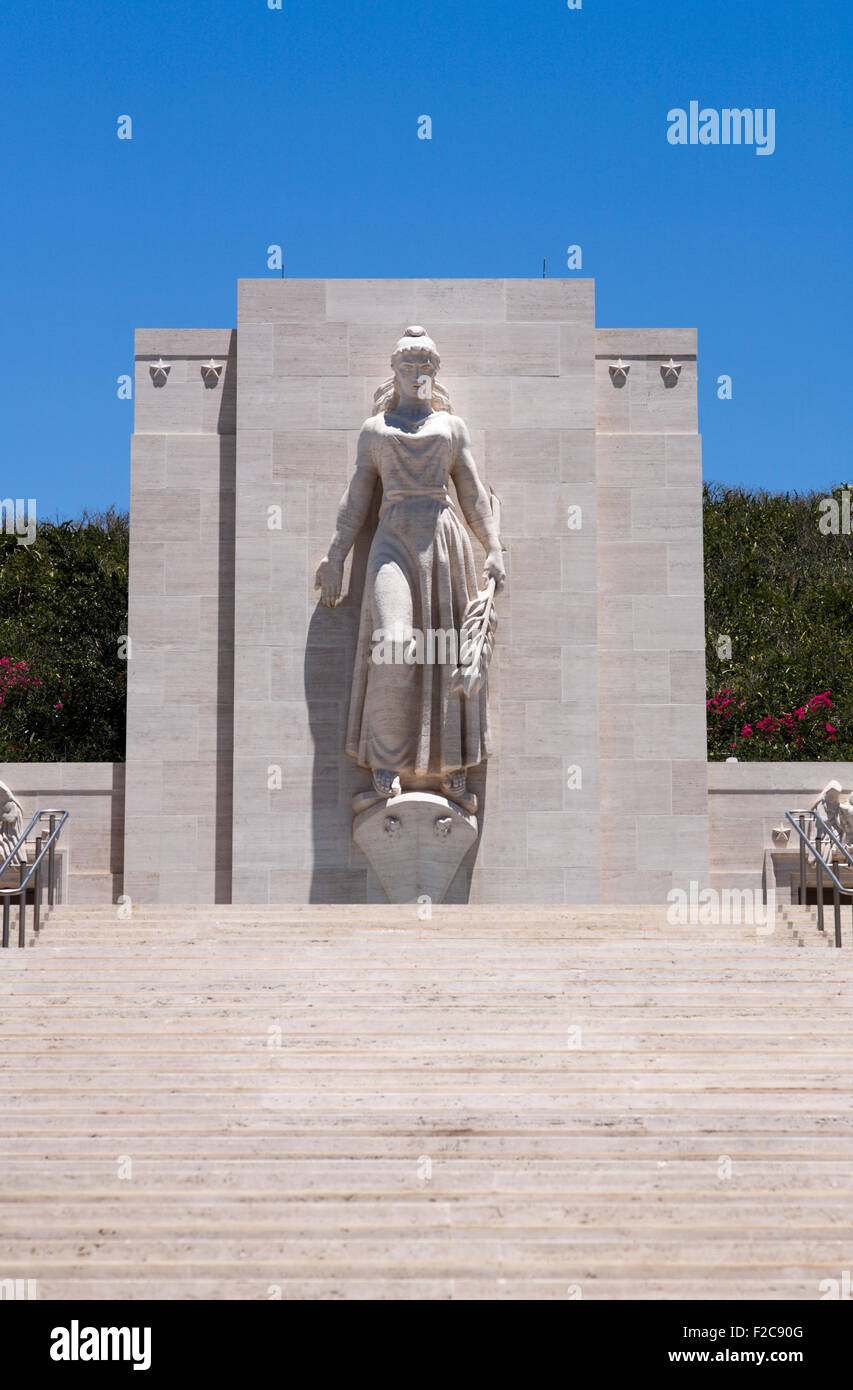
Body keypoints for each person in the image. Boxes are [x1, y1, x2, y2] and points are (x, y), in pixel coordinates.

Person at [315, 326, 505, 803]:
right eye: (408, 365)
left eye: (427, 366)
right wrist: (336, 556)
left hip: (444, 541)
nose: (418, 373)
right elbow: (356, 496)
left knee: (443, 657)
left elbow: (473, 493)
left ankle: (450, 766)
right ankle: (385, 758)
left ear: (434, 373)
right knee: (396, 645)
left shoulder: (452, 428)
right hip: (393, 538)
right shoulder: (376, 430)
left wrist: (495, 547)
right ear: (394, 371)